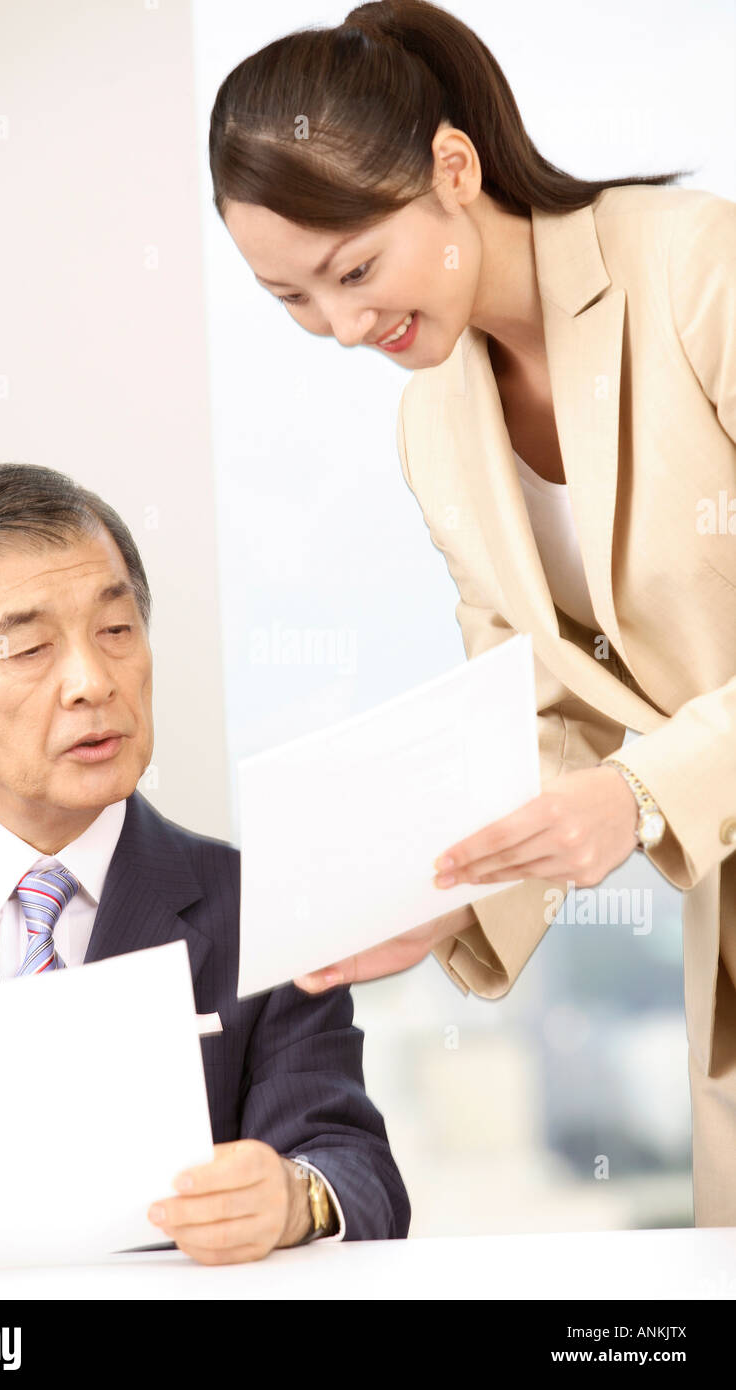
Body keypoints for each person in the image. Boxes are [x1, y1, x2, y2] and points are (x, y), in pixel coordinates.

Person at [208, 0, 736, 1224]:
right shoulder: (434, 420)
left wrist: (646, 793)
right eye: (291, 298)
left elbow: (629, 775)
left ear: (453, 168)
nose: (342, 328)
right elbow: (544, 714)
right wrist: (445, 893)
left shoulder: (692, 270)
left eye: (353, 269)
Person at [0, 463, 410, 1277]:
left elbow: (357, 1171)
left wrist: (296, 1199)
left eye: (117, 632)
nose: (93, 682)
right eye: (28, 648)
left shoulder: (260, 904)